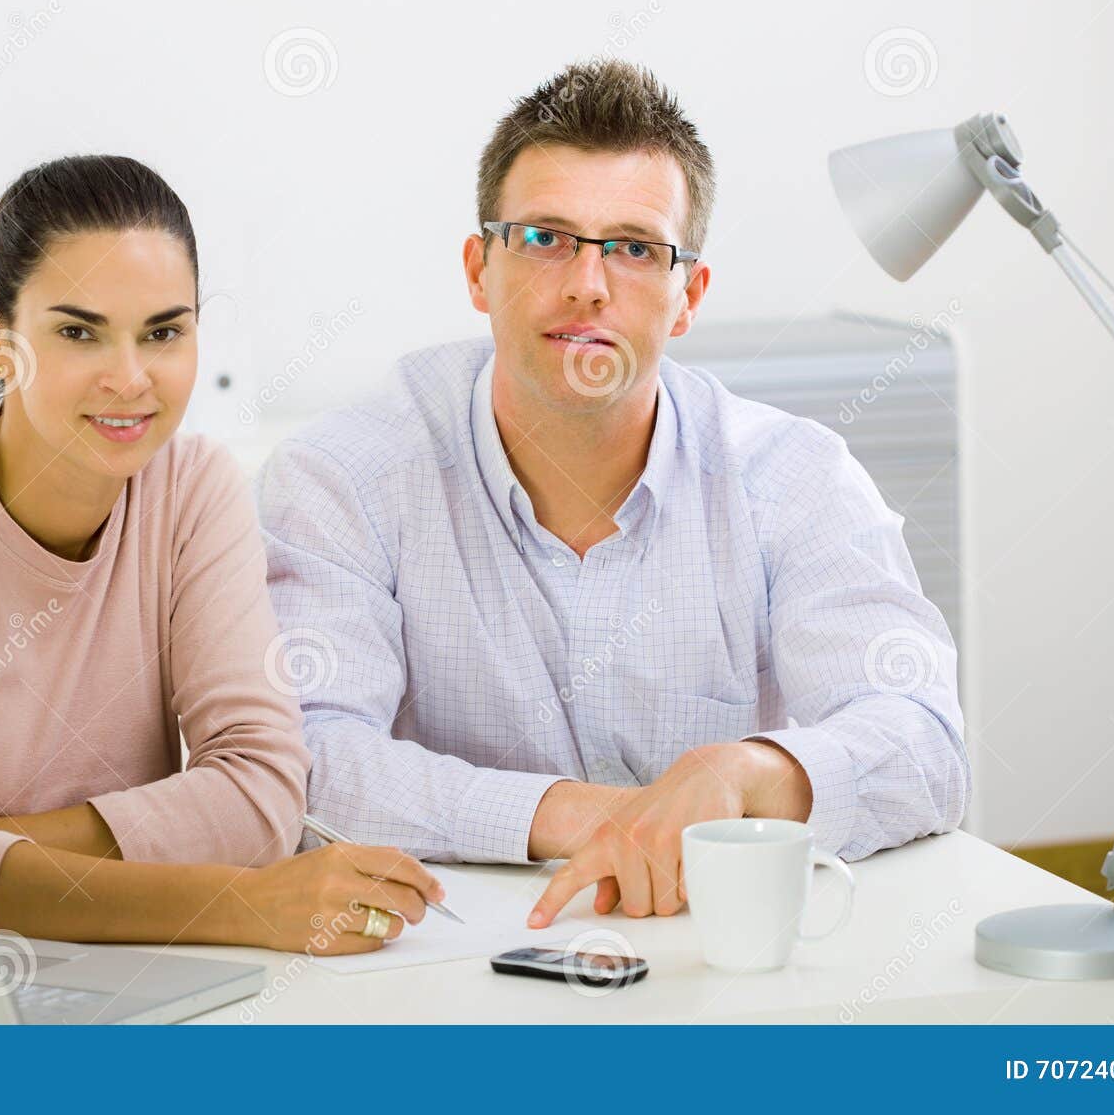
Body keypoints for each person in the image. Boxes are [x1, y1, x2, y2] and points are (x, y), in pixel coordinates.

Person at [257, 62, 971, 930]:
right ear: (480, 270)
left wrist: (743, 775)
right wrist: (602, 816)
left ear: (687, 297)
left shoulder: (794, 477)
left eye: (634, 247)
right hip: (453, 959)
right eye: (545, 237)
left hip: (712, 948)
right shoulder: (347, 477)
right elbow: (306, 756)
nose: (588, 284)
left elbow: (926, 740)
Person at [0, 154, 441, 954]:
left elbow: (264, 795)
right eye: (77, 332)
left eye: (163, 332)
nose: (130, 379)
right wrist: (241, 906)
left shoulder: (194, 491)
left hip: (126, 964)